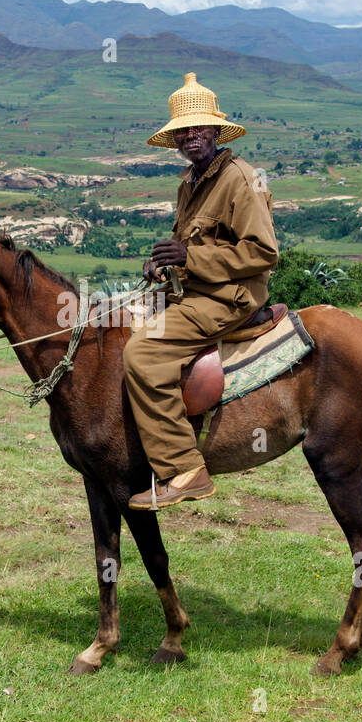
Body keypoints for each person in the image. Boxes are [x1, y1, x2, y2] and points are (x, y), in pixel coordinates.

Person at [123, 73, 279, 511]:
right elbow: (190, 246)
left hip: (229, 297)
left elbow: (263, 252)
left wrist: (189, 261)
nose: (191, 137)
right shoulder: (190, 181)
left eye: (198, 128)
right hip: (195, 291)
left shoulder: (243, 179)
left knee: (142, 353)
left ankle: (184, 470)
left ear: (214, 130)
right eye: (182, 131)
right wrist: (163, 263)